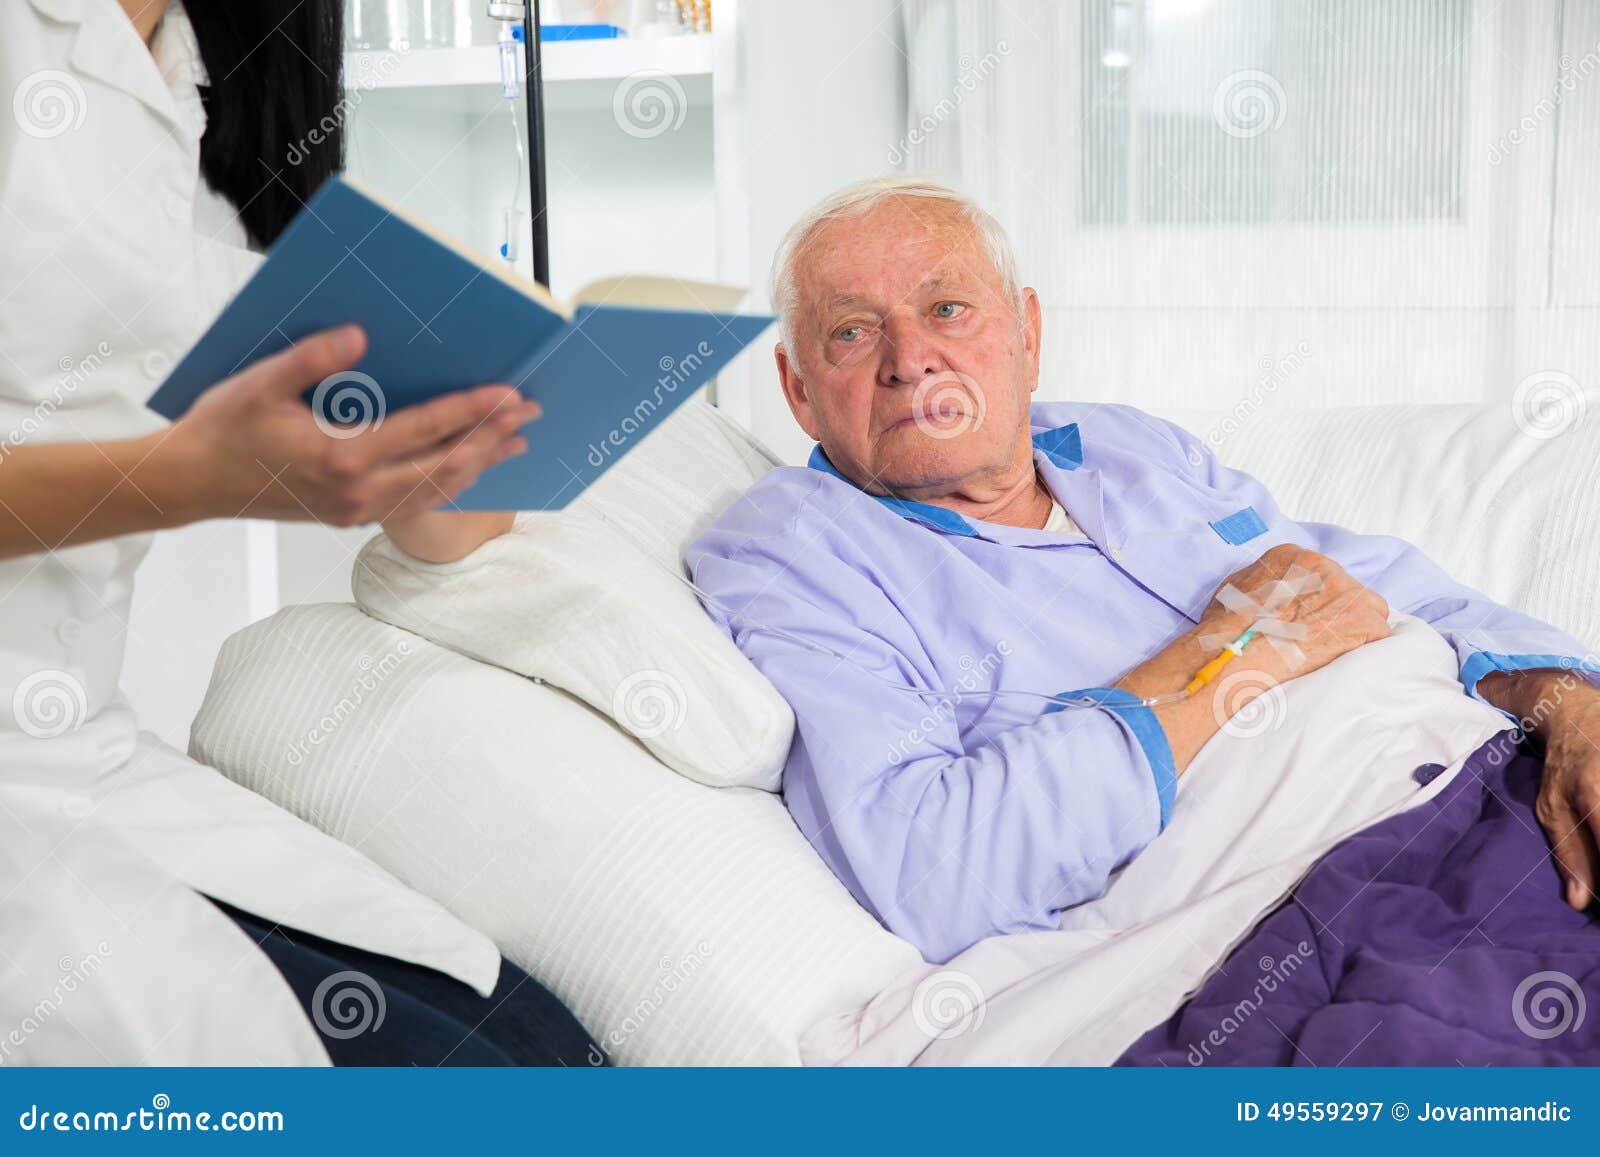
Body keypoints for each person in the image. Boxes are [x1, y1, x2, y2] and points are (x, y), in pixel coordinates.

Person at [677, 178, 1600, 965]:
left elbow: (1386, 587)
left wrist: (1571, 702)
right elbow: (934, 870)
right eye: (851, 332)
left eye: (948, 308)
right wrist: (1231, 653)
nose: (911, 356)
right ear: (798, 389)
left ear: (1027, 336)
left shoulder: (1122, 445)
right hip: (1349, 888)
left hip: (1499, 773)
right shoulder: (791, 549)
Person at [0, 0, 595, 1064]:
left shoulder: (208, 77)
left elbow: (456, 531)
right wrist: (188, 478)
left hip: (78, 750)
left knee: (537, 1046)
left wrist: (454, 423)